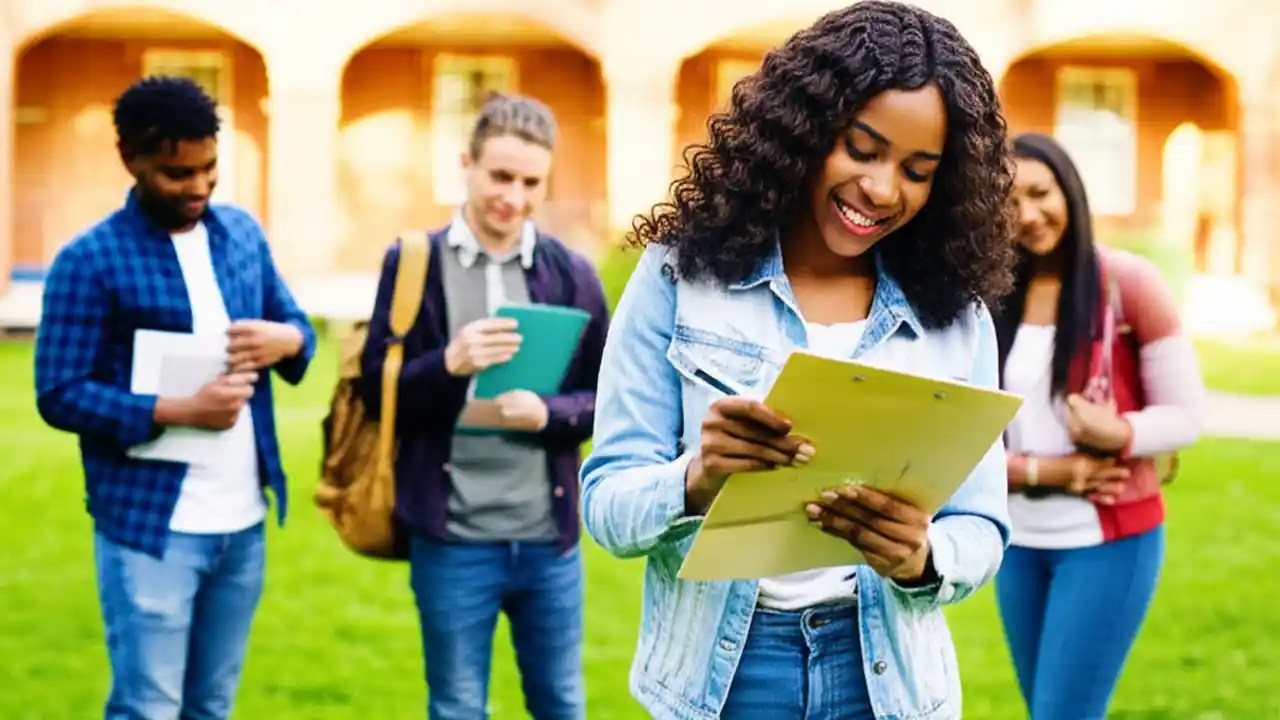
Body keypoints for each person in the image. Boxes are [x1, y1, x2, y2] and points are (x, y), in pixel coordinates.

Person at [579, 3, 1019, 718]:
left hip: (885, 680)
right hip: (726, 677)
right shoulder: (679, 276)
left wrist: (921, 558)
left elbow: (981, 527)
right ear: (804, 130)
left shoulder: (955, 316)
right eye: (862, 148)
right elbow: (606, 505)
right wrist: (697, 479)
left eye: (917, 170)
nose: (882, 190)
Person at [33, 75, 316, 719]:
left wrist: (285, 340)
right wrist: (178, 412)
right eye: (175, 173)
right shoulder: (90, 260)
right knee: (149, 708)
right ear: (131, 160)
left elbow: (297, 332)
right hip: (149, 526)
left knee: (211, 707)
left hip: (241, 522)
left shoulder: (242, 235)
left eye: (210, 168)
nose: (197, 187)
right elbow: (58, 393)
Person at [359, 92, 608, 720]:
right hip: (452, 538)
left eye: (531, 183)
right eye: (500, 176)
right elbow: (376, 395)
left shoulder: (571, 272)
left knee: (560, 702)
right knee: (457, 706)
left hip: (547, 541)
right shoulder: (415, 263)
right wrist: (449, 364)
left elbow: (612, 400)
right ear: (466, 164)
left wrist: (548, 415)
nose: (514, 197)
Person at [992, 132, 1205, 719]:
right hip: (1017, 541)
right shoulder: (990, 294)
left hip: (1105, 542)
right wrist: (1042, 471)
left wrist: (1122, 436)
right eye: (1007, 202)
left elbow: (1188, 414)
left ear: (1070, 190)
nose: (1027, 215)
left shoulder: (1127, 284)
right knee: (1046, 709)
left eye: (1040, 193)